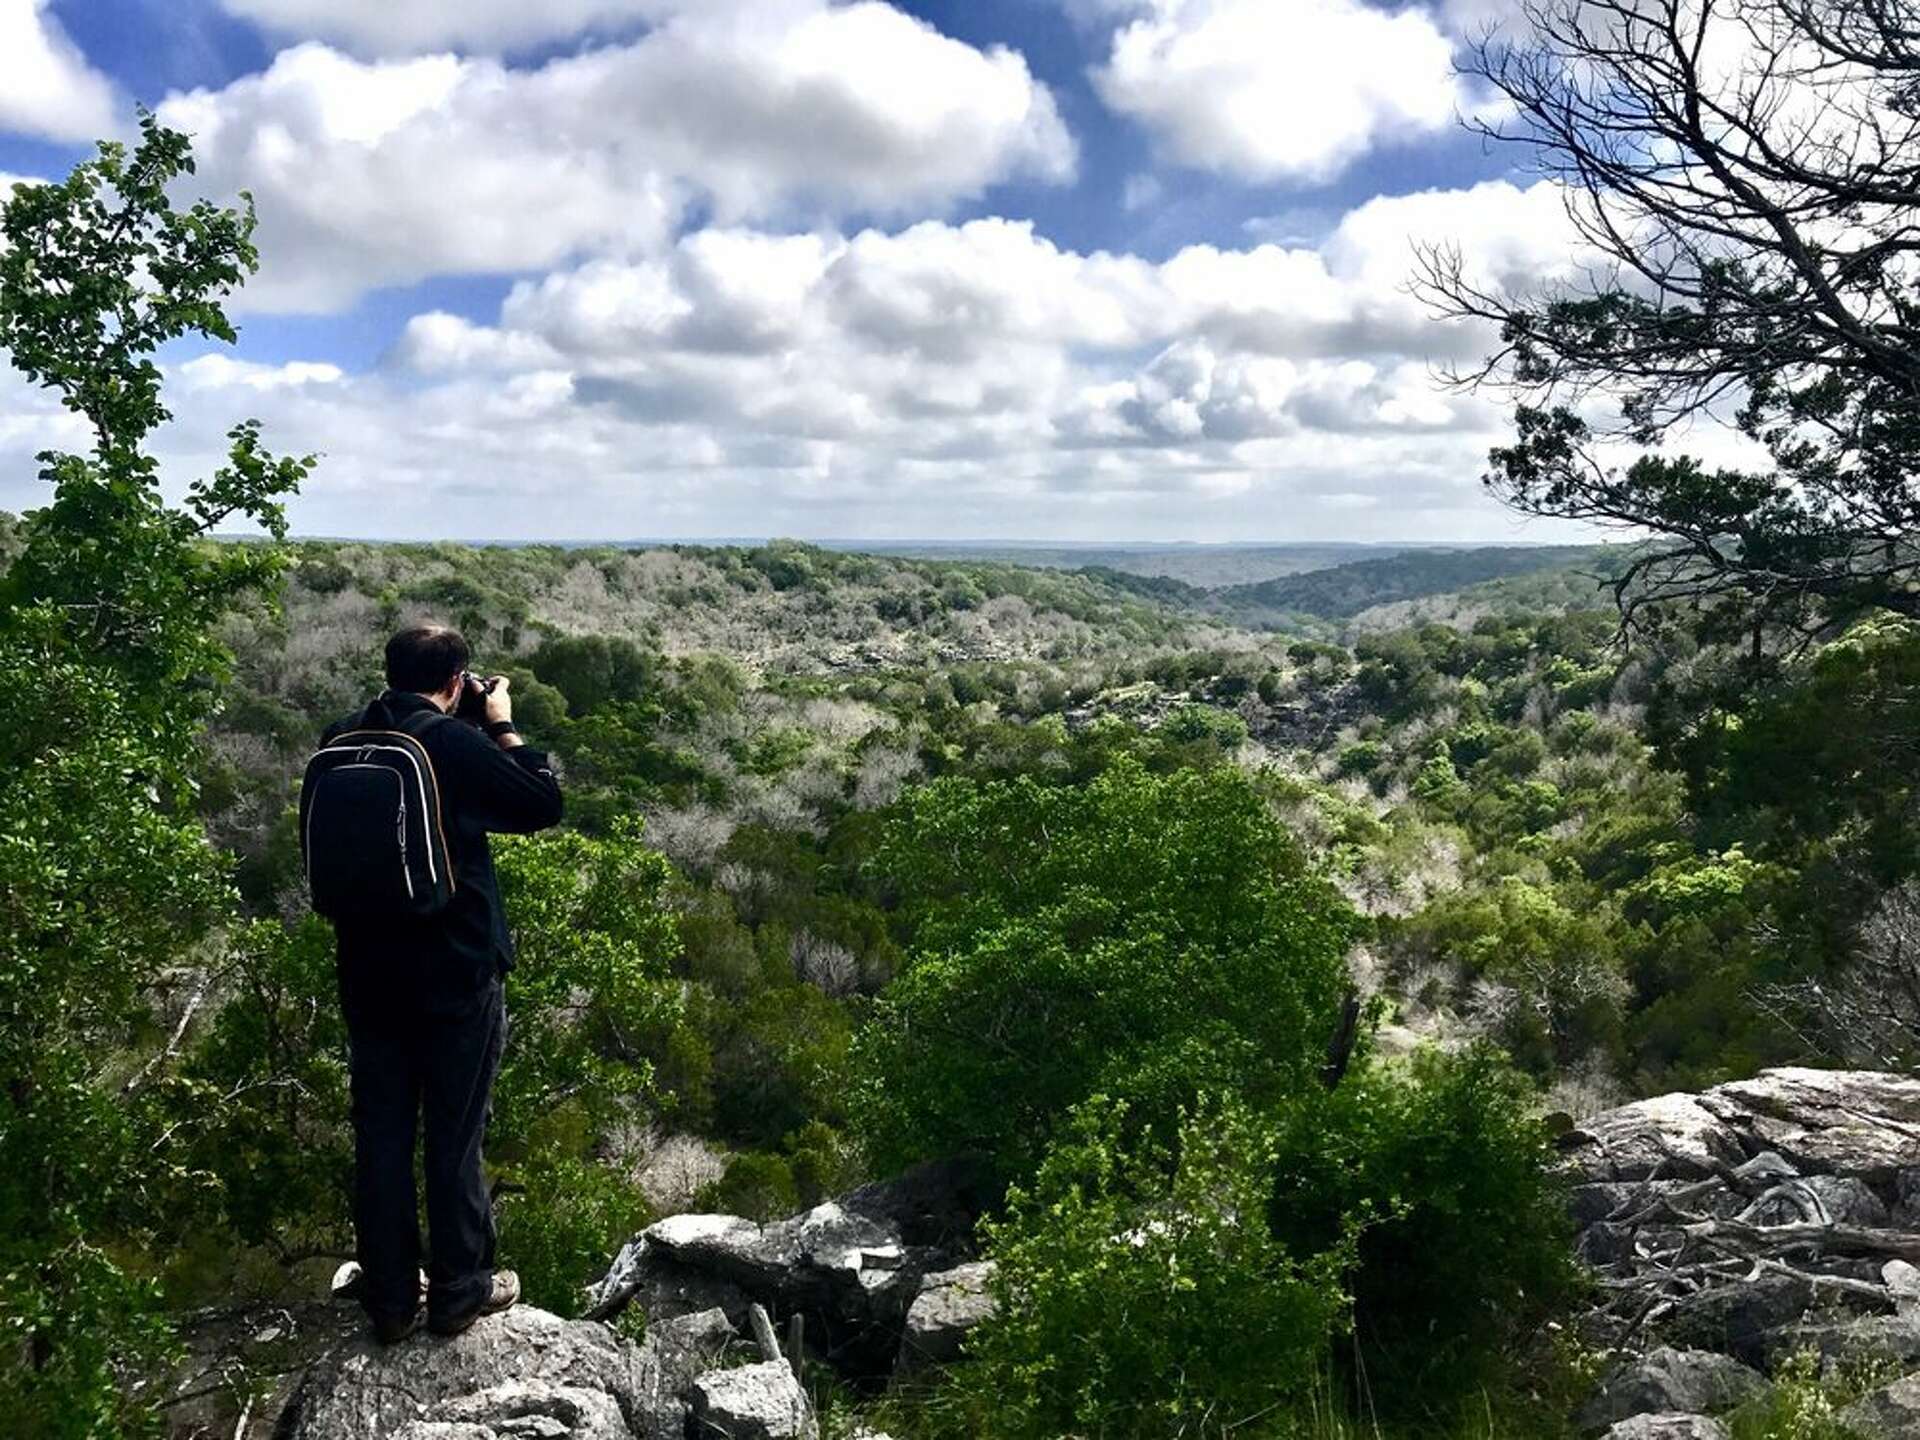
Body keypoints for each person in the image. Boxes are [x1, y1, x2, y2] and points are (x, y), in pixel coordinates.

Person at [319, 624, 564, 1342]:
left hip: (366, 969)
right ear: (457, 681)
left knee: (382, 1133)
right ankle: (460, 1288)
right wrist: (504, 725)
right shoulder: (453, 743)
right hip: (454, 967)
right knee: (454, 1134)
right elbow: (541, 805)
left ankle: (390, 1298)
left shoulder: (342, 737)